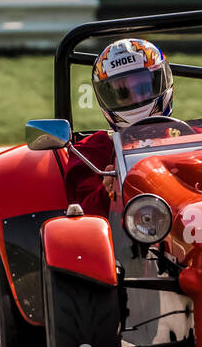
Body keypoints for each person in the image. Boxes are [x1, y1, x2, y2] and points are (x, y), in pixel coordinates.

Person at [64, 38, 175, 218]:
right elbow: (82, 219)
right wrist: (107, 192)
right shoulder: (92, 152)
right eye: (123, 94)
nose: (136, 98)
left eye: (143, 88)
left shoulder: (195, 137)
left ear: (162, 81)